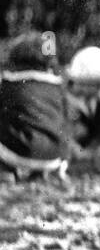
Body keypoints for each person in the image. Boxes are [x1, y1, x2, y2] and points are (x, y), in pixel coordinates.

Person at [0, 32, 70, 182]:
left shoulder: (9, 82)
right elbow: (65, 118)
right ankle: (40, 173)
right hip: (53, 156)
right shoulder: (57, 85)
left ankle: (5, 171)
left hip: (18, 152)